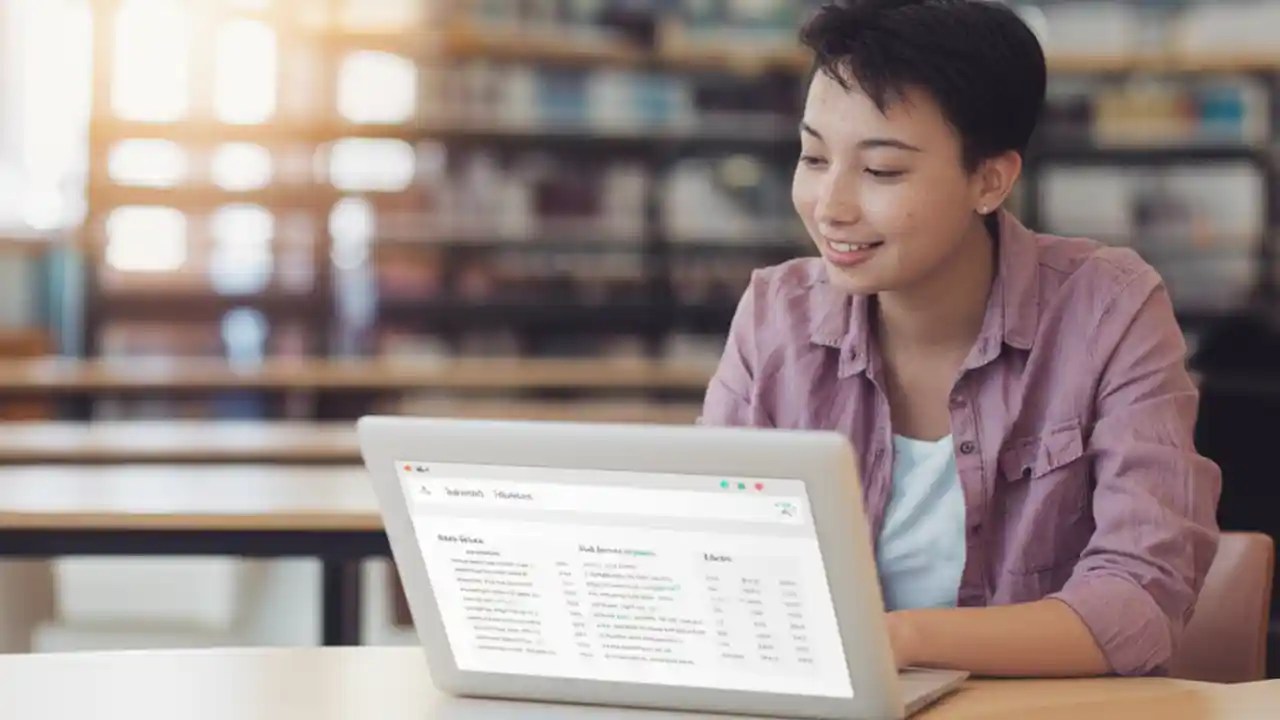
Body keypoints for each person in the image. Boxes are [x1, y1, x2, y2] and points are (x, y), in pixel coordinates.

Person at [699, 0, 1221, 678]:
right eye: (814, 157)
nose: (831, 205)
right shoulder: (776, 315)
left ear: (990, 180)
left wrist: (898, 640)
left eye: (882, 171)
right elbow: (712, 562)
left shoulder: (1108, 308)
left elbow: (1138, 600)